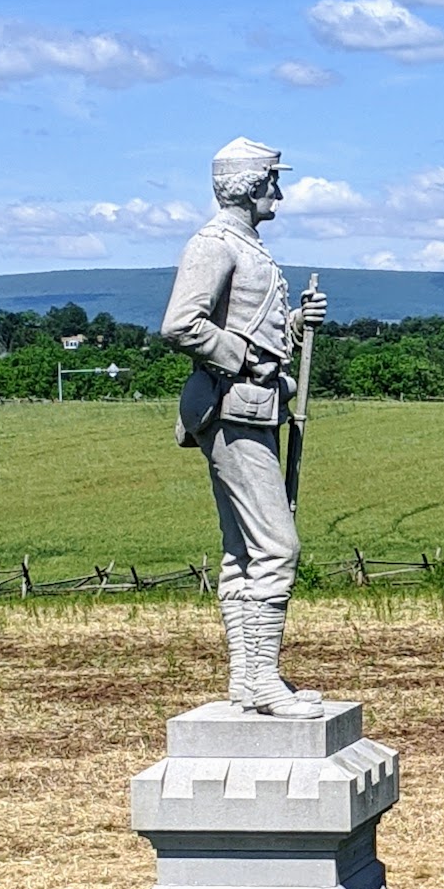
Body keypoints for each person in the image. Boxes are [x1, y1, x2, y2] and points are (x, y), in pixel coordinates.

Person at [163, 136, 329, 710]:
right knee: (277, 548)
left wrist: (292, 321)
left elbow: (254, 327)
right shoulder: (213, 245)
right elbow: (182, 325)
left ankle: (247, 679)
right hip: (233, 410)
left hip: (257, 408)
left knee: (242, 553)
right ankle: (260, 679)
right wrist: (244, 357)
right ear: (251, 184)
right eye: (272, 181)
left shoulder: (245, 245)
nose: (278, 192)